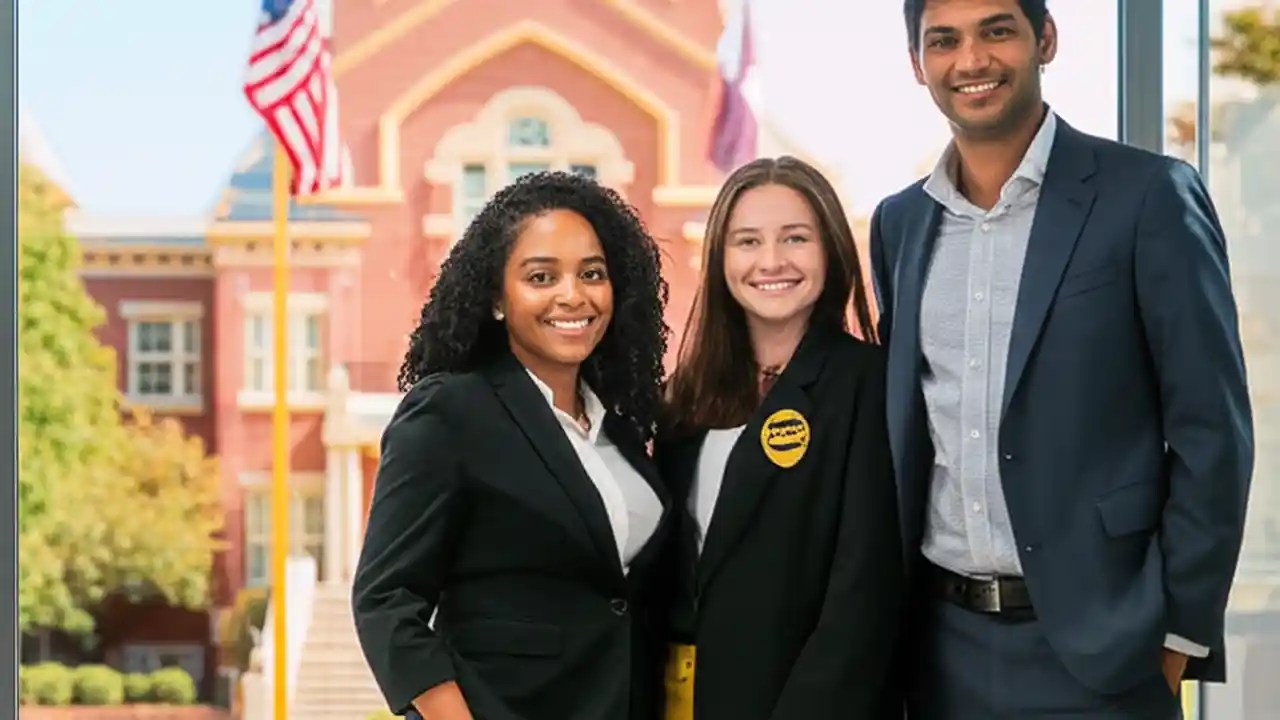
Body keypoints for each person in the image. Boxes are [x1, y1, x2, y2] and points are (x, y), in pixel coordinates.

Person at [870, 1, 1255, 717]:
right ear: (918, 65)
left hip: (1102, 652)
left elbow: (1213, 430)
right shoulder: (900, 223)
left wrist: (1176, 633)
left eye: (997, 30)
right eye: (944, 41)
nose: (972, 60)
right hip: (940, 652)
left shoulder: (1148, 196)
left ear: (1044, 39)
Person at [352, 171, 674, 720]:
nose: (572, 295)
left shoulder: (619, 428)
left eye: (592, 274)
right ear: (498, 299)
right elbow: (386, 602)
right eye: (541, 276)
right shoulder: (452, 412)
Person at [658, 156, 903, 720]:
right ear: (720, 257)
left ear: (832, 250)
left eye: (795, 238)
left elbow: (864, 593)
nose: (771, 262)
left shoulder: (869, 384)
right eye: (747, 241)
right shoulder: (686, 395)